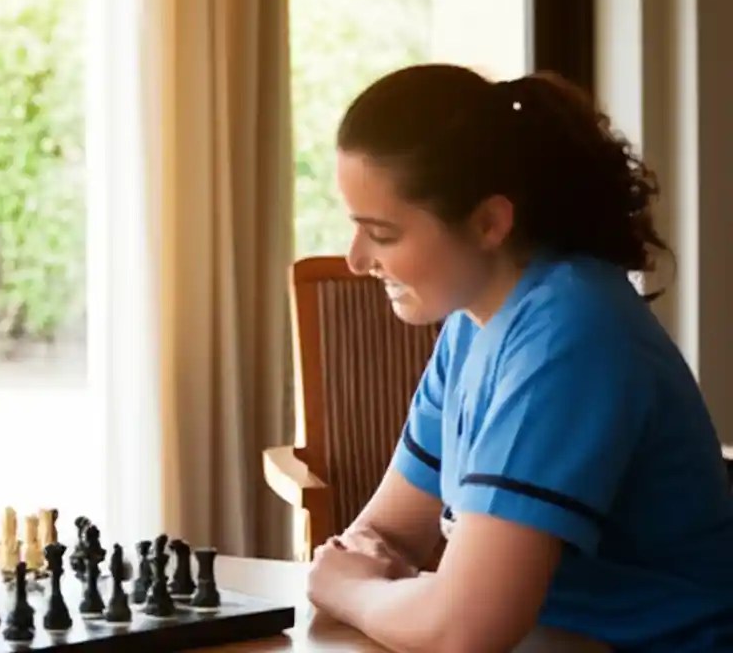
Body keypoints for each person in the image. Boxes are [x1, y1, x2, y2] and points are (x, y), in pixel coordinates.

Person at [306, 64, 733, 652]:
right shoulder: (470, 326)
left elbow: (464, 628)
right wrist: (375, 583)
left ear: (489, 222)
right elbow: (381, 538)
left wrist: (353, 593)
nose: (356, 260)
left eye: (381, 234)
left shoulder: (572, 333)